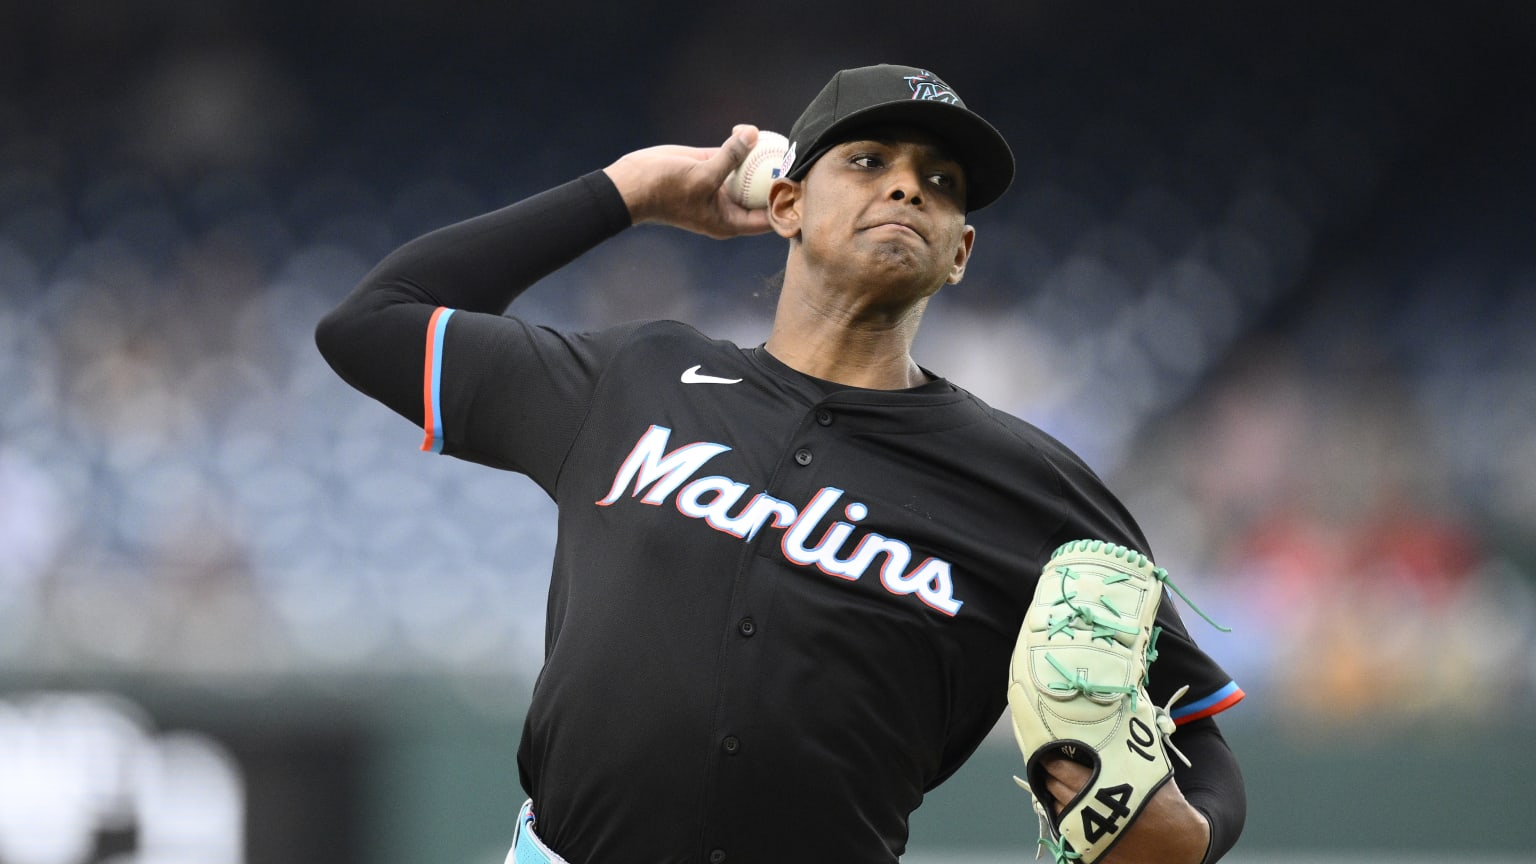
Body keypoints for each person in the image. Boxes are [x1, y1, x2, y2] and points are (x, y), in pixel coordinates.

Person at [316, 63, 1246, 863]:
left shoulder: (1030, 486)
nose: (909, 188)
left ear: (959, 252)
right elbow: (371, 325)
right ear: (787, 203)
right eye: (869, 161)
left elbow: (1197, 731)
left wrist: (1191, 834)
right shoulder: (635, 379)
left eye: (942, 180)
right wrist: (629, 192)